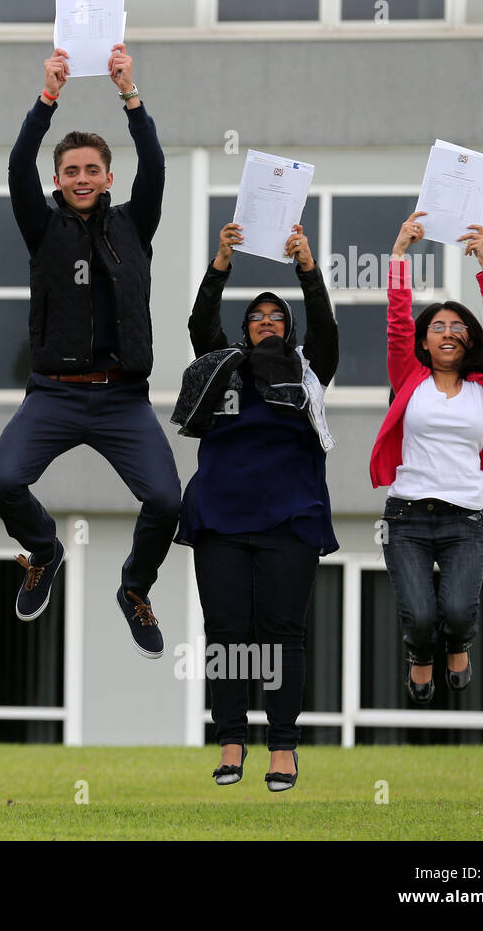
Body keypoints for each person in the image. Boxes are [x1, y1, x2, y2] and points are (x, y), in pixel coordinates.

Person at [0, 44, 180, 657]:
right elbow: (18, 164)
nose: (83, 178)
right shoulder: (41, 226)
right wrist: (48, 97)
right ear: (58, 180)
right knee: (2, 481)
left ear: (108, 177)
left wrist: (130, 93)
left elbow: (154, 162)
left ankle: (135, 589)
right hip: (56, 395)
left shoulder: (134, 222)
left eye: (93, 169)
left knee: (167, 502)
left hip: (123, 398)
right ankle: (44, 552)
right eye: (71, 171)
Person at [171, 222, 338, 792]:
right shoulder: (222, 367)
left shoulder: (309, 371)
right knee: (225, 633)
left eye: (277, 318)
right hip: (219, 516)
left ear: (288, 332)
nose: (267, 322)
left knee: (282, 632)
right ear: (243, 331)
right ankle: (232, 741)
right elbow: (199, 324)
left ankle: (284, 749)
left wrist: (307, 267)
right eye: (257, 317)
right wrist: (221, 260)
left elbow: (328, 331)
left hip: (291, 519)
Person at [370, 212, 483, 704]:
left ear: (470, 340)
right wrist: (397, 257)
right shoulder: (407, 378)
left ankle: (458, 645)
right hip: (407, 516)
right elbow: (397, 321)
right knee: (417, 615)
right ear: (425, 340)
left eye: (458, 326)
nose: (449, 332)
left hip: (464, 518)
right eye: (438, 326)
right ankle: (420, 655)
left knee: (457, 610)